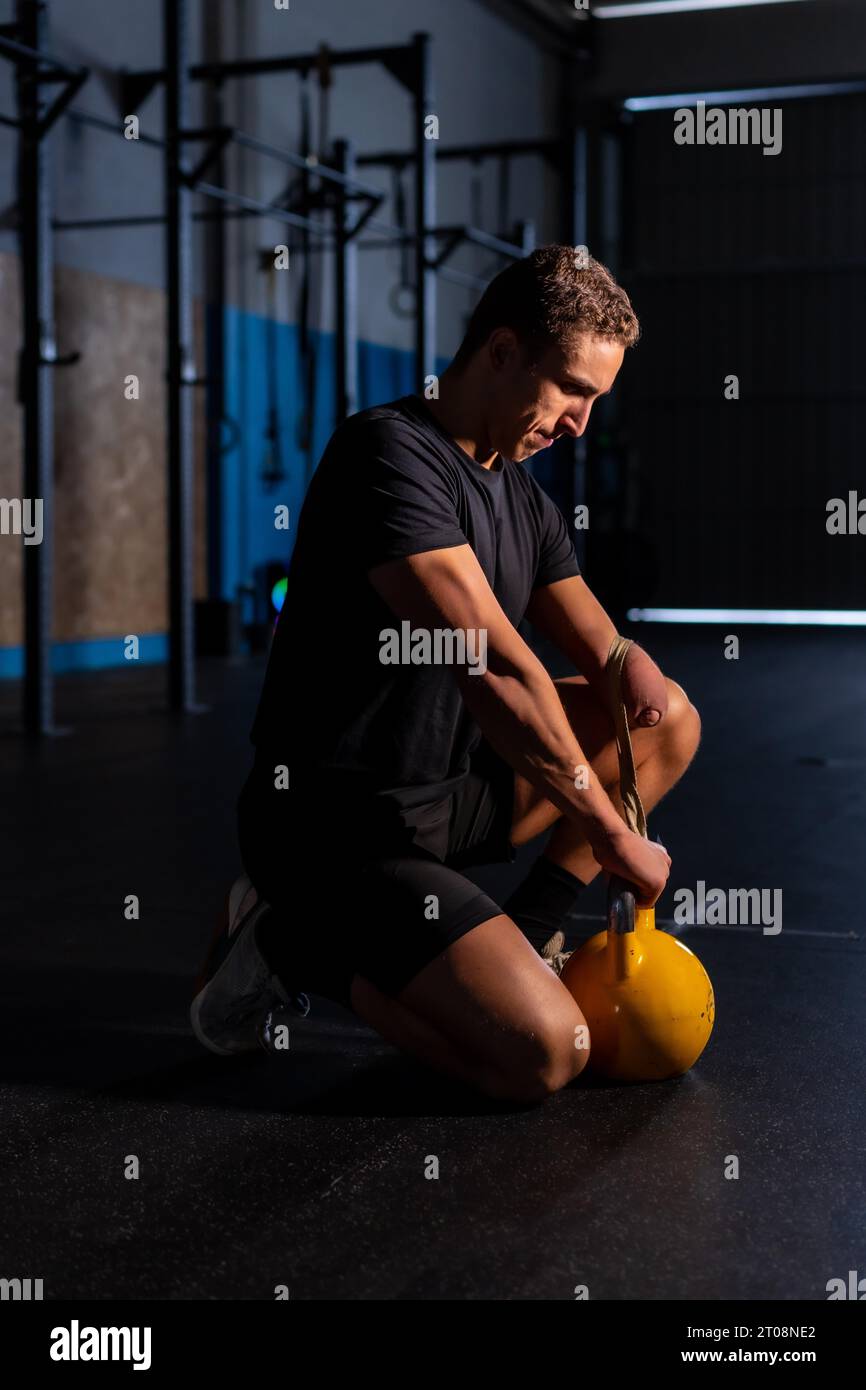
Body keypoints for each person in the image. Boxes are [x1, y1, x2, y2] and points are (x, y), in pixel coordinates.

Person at [191, 245, 700, 1103]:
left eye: (595, 401)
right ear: (501, 352)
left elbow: (602, 651)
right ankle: (287, 938)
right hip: (335, 826)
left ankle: (528, 932)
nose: (580, 422)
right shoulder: (387, 456)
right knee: (544, 1055)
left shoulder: (523, 496)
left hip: (448, 797)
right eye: (572, 389)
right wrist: (607, 831)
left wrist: (629, 664)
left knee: (669, 721)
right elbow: (493, 666)